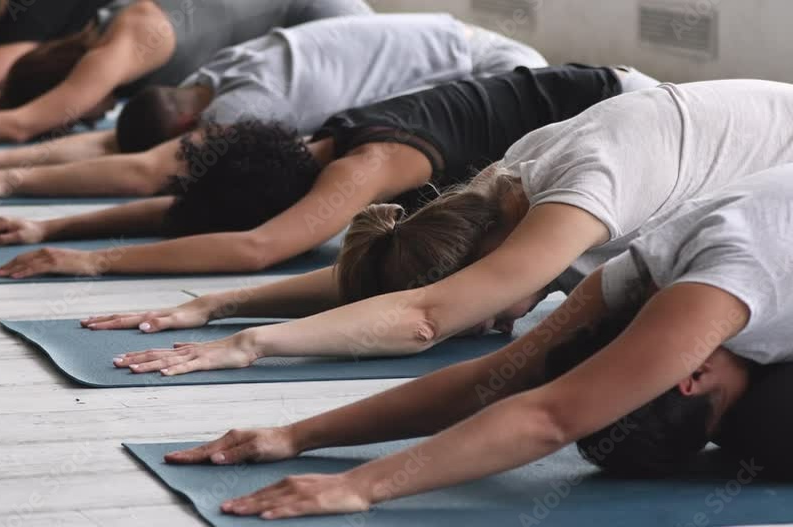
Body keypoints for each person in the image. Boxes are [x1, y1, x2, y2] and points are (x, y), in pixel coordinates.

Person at [159, 165, 793, 519]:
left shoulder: (720, 287)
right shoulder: (642, 278)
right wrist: (298, 436)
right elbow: (504, 379)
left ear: (687, 373)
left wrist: (364, 486)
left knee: (766, 426)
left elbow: (550, 417)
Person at [97, 78, 793, 376]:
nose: (490, 321)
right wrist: (217, 304)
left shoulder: (580, 191)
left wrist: (251, 345)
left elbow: (427, 315)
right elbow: (390, 282)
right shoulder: (513, 182)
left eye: (481, 305)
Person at [0, 65, 648, 283]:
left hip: (632, 116)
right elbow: (206, 211)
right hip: (575, 120)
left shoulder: (363, 163)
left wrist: (93, 265)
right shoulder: (311, 147)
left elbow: (257, 246)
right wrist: (52, 225)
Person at [0, 0, 374, 147]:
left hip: (331, 25)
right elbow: (6, 106)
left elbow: (20, 123)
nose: (94, 115)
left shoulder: (119, 47)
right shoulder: (104, 37)